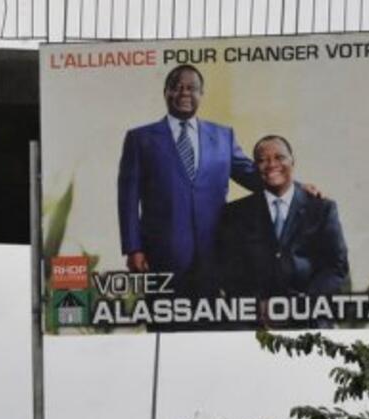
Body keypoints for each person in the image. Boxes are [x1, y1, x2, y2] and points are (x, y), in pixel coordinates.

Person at [117, 64, 265, 296]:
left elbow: (252, 176)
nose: (185, 93)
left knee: (211, 326)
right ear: (165, 92)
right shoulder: (140, 139)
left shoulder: (223, 136)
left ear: (201, 94)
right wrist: (133, 248)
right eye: (177, 87)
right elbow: (127, 198)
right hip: (161, 255)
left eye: (192, 88)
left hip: (215, 254)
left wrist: (296, 187)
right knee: (163, 325)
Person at [218, 135, 349, 327]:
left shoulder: (321, 209)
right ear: (255, 167)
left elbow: (336, 266)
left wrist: (302, 305)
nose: (271, 164)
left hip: (309, 317)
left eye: (279, 157)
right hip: (254, 321)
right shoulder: (236, 213)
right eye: (262, 160)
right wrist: (257, 306)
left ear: (292, 161)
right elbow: (228, 270)